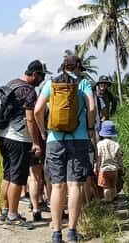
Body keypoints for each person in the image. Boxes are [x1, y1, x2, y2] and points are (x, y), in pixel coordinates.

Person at [34, 55, 96, 243]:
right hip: (79, 139)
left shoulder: (51, 83)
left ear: (63, 66)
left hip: (55, 139)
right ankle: (71, 231)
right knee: (75, 185)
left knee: (58, 186)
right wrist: (91, 129)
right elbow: (91, 108)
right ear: (78, 67)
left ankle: (56, 232)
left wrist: (44, 132)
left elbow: (37, 110)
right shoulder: (83, 84)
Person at [0, 60, 48, 230]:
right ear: (34, 74)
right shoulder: (28, 91)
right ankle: (12, 215)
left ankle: (5, 212)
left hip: (3, 136)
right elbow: (30, 119)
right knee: (18, 178)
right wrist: (36, 142)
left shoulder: (11, 84)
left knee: (8, 175)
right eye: (41, 76)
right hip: (18, 139)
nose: (42, 80)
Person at [95, 121, 124, 203]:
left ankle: (108, 201)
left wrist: (96, 167)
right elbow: (119, 158)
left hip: (104, 169)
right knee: (113, 186)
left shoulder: (99, 144)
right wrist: (121, 167)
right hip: (114, 169)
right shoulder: (116, 144)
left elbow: (98, 157)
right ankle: (114, 199)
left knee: (106, 187)